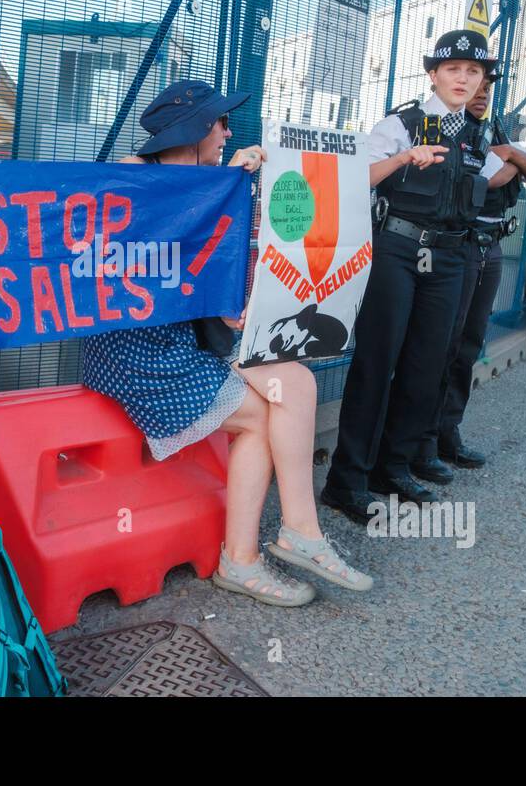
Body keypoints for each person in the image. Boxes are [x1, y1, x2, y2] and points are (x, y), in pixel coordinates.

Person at [82, 79, 373, 607]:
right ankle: (255, 553)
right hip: (139, 356)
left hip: (188, 343)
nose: (227, 132)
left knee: (294, 383)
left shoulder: (212, 181)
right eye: (219, 123)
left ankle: (287, 538)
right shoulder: (134, 177)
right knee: (265, 415)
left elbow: (205, 270)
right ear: (193, 130)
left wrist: (233, 185)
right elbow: (136, 246)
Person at [319, 30, 515, 523]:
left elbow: (503, 175)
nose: (464, 79)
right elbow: (351, 177)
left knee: (427, 364)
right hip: (399, 250)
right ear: (434, 74)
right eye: (454, 70)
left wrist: (519, 159)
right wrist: (404, 158)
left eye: (475, 72)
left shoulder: (479, 135)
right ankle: (347, 481)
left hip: (451, 257)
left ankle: (395, 466)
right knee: (377, 362)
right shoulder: (403, 123)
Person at [415, 75, 526, 481]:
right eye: (473, 81)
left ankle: (446, 431)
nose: (482, 91)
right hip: (459, 244)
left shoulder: (493, 133)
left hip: (488, 245)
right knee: (442, 343)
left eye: (487, 84)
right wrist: (509, 163)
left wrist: (508, 152)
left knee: (470, 342)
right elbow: (486, 180)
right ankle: (419, 439)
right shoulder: (438, 130)